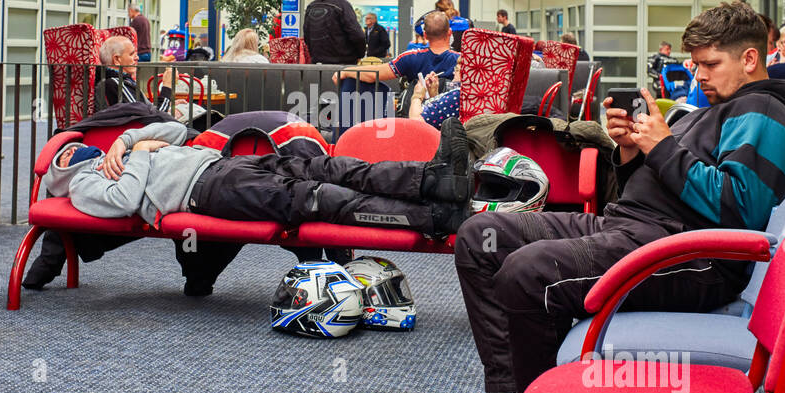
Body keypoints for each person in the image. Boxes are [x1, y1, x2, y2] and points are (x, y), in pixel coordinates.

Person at [445, 1, 785, 393]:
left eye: (711, 64)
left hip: (689, 256)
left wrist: (662, 147)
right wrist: (634, 152)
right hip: (636, 229)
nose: (700, 76)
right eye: (695, 65)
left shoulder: (765, 112)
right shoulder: (722, 110)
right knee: (480, 234)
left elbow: (739, 210)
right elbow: (667, 187)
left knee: (529, 272)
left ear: (750, 59)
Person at [48, 117, 474, 241]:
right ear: (59, 170)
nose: (78, 150)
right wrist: (140, 156)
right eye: (67, 152)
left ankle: (433, 181)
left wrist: (128, 140)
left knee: (329, 164)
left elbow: (179, 132)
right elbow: (123, 202)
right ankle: (433, 218)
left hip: (224, 164)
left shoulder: (114, 152)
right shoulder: (83, 186)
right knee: (319, 197)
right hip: (207, 192)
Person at [334, 11, 459, 89]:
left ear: (425, 35)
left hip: (417, 119)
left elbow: (376, 73)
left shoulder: (410, 57)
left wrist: (346, 71)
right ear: (450, 32)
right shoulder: (462, 60)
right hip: (452, 124)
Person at [94, 35, 174, 111]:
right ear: (117, 60)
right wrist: (167, 86)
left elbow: (145, 110)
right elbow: (149, 117)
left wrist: (169, 105)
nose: (137, 57)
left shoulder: (122, 81)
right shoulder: (114, 83)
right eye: (132, 54)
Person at [302, 0, 366, 65]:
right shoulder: (343, 5)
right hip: (343, 63)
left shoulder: (312, 6)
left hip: (317, 63)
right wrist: (360, 54)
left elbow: (307, 34)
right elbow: (357, 34)